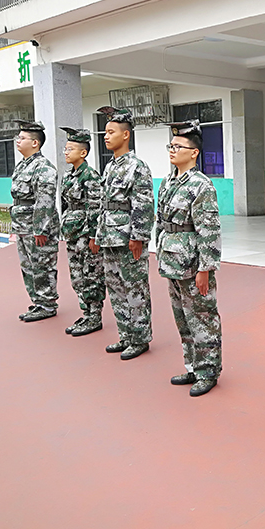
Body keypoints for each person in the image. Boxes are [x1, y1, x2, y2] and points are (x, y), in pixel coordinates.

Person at [157, 120, 222, 397]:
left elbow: (209, 230)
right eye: (170, 145)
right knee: (183, 318)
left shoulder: (201, 185)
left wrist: (205, 268)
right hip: (172, 260)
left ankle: (209, 371)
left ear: (193, 152)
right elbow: (161, 222)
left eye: (178, 146)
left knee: (202, 317)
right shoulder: (168, 181)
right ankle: (193, 365)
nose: (172, 150)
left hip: (193, 263)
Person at [92, 107, 155, 361]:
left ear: (126, 135)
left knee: (135, 288)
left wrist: (138, 236)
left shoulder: (137, 166)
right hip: (109, 236)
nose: (106, 136)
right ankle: (126, 334)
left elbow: (144, 203)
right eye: (105, 132)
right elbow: (103, 204)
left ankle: (140, 338)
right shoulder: (109, 167)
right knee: (116, 287)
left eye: (111, 132)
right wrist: (98, 234)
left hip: (128, 238)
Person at [11, 120, 60, 322]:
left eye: (22, 138)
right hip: (23, 226)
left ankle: (47, 304)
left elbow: (45, 201)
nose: (17, 140)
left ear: (35, 143)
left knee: (42, 265)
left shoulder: (43, 168)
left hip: (37, 227)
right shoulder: (23, 165)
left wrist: (41, 229)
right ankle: (38, 301)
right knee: (28, 266)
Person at [60, 126, 106, 337]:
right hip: (72, 234)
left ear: (83, 152)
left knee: (91, 276)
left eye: (70, 149)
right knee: (77, 277)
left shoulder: (90, 177)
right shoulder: (69, 176)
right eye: (65, 148)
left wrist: (93, 236)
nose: (66, 152)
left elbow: (96, 207)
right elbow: (65, 205)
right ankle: (86, 313)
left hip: (86, 236)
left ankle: (95, 316)